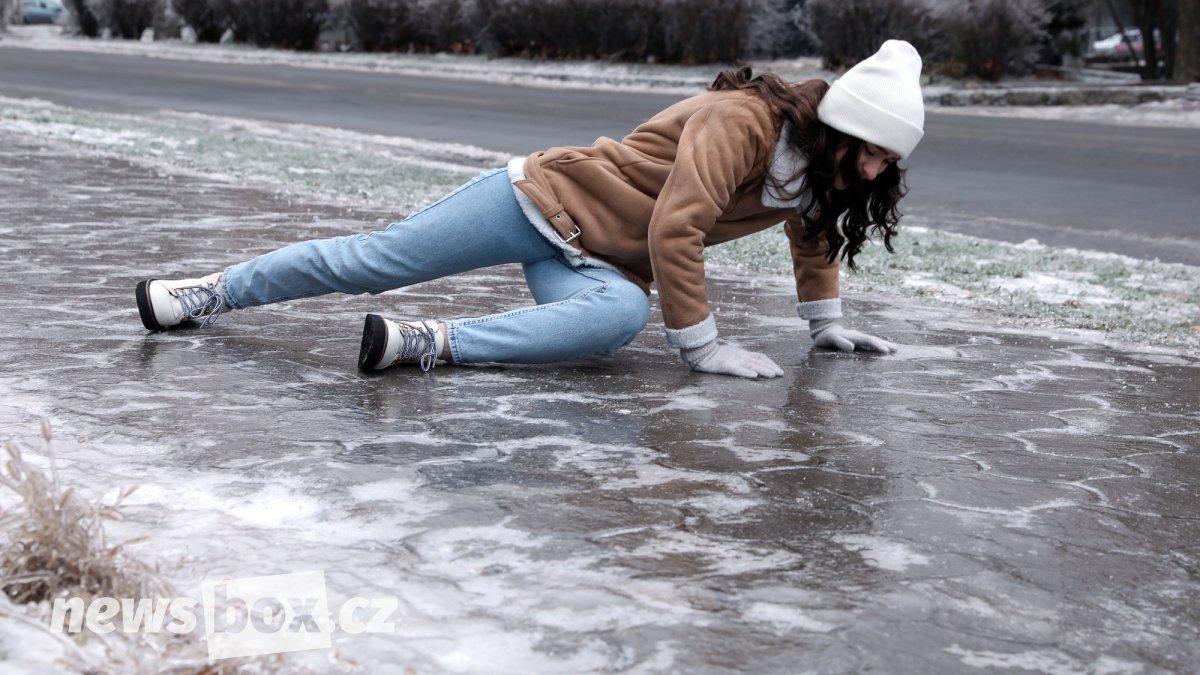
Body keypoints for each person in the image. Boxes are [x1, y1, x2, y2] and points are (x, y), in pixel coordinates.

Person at [135, 40, 925, 380]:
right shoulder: (743, 123)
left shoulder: (820, 170)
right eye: (874, 150)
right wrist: (703, 348)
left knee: (615, 321)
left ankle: (427, 343)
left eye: (890, 159)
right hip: (538, 199)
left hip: (599, 260)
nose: (878, 169)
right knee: (374, 262)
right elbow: (676, 226)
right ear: (839, 128)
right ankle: (208, 291)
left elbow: (814, 229)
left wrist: (824, 324)